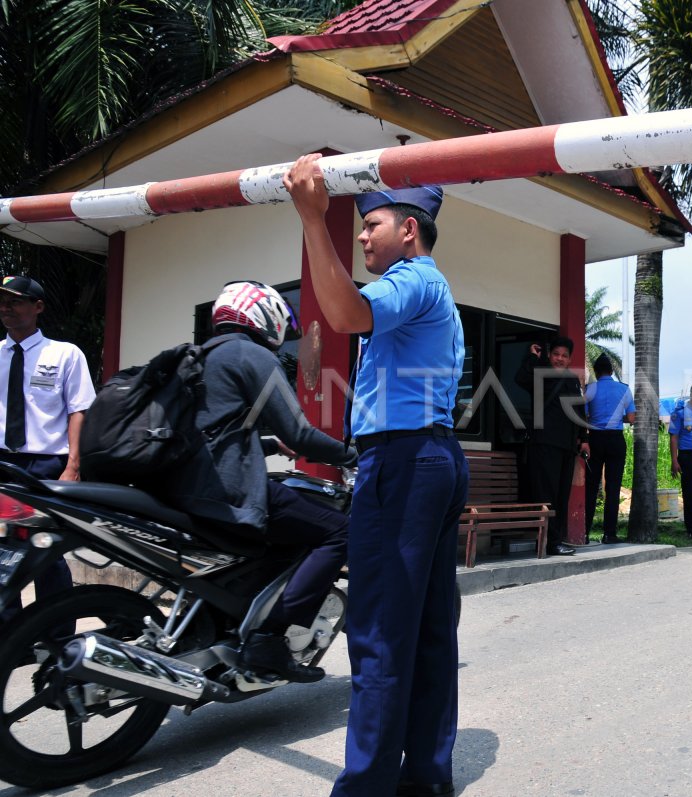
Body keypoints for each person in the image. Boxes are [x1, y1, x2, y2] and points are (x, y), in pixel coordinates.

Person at [286, 153, 469, 797]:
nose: (363, 235)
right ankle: (424, 779)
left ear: (410, 230)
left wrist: (314, 219)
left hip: (404, 463)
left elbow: (344, 316)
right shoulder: (430, 289)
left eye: (372, 225)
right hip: (430, 458)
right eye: (358, 226)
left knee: (379, 634)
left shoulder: (412, 279)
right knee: (422, 633)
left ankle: (365, 788)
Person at [156, 281, 356, 683]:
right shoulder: (250, 354)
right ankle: (269, 638)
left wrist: (263, 443)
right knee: (339, 533)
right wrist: (352, 454)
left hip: (176, 490)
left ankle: (229, 626)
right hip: (225, 492)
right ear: (264, 318)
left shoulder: (197, 356)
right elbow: (300, 433)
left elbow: (206, 431)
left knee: (286, 537)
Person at [0, 276, 94, 624]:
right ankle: (11, 634)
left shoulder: (64, 354)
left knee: (47, 549)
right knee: (2, 551)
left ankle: (57, 633)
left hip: (46, 466)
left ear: (38, 307)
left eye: (16, 301)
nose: (7, 307)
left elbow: (78, 410)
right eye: (3, 301)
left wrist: (72, 465)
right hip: (3, 464)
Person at [516, 336, 589, 555]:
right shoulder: (541, 375)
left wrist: (584, 439)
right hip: (544, 444)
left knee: (561, 495)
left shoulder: (573, 380)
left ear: (569, 359)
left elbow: (578, 411)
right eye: (556, 354)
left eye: (564, 356)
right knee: (545, 495)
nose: (559, 359)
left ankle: (556, 539)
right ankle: (548, 542)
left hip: (567, 446)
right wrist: (531, 357)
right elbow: (520, 378)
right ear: (550, 355)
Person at [583, 354, 634, 544]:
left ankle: (585, 533)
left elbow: (586, 417)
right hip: (615, 440)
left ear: (596, 372)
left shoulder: (589, 389)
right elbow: (631, 418)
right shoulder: (624, 389)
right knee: (613, 487)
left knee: (590, 486)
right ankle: (609, 534)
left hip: (595, 439)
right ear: (612, 371)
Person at [668, 382, 692, 539]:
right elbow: (674, 437)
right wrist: (674, 460)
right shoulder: (680, 412)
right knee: (690, 494)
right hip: (687, 456)